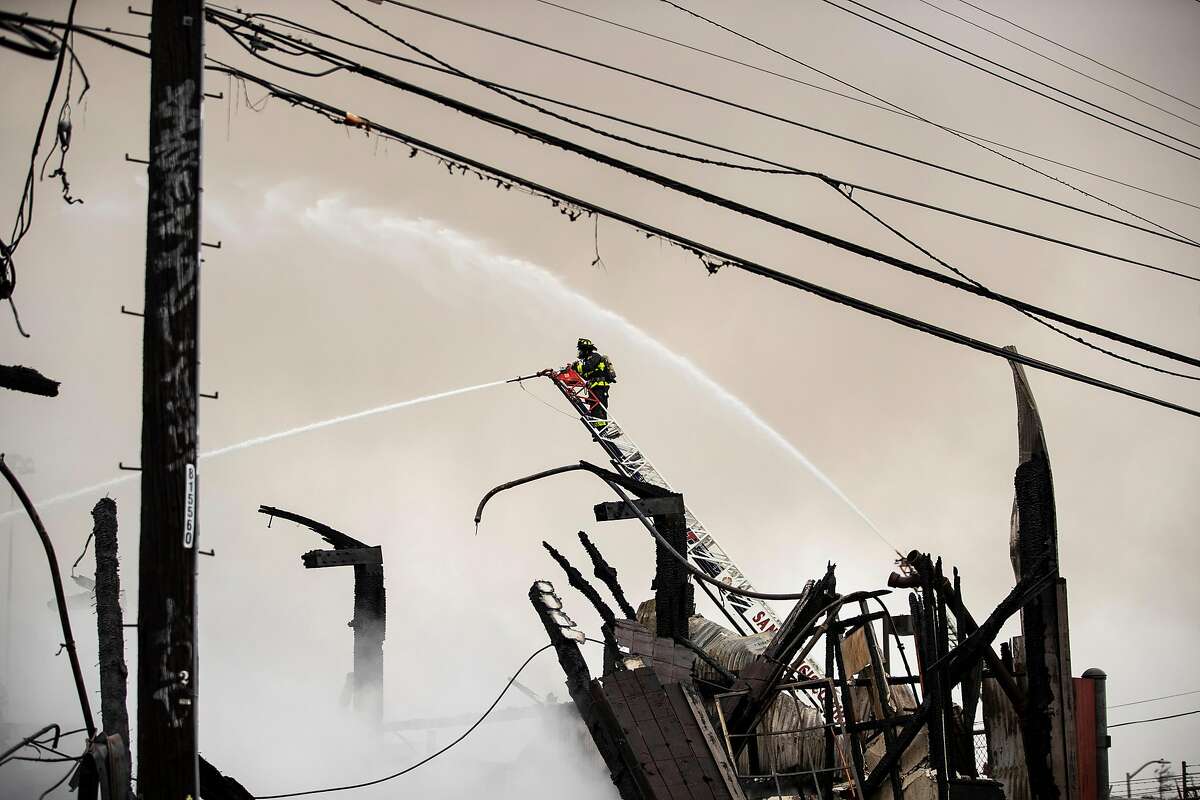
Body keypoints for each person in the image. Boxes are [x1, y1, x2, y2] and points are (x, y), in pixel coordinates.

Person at [572, 337, 616, 425]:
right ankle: (601, 428)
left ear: (586, 350)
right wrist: (576, 369)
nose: (580, 352)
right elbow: (586, 376)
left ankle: (602, 429)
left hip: (600, 386)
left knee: (598, 407)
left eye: (581, 350)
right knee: (595, 407)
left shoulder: (595, 356)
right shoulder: (587, 360)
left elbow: (588, 368)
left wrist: (577, 366)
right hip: (594, 386)